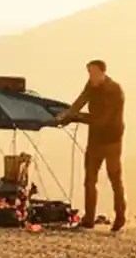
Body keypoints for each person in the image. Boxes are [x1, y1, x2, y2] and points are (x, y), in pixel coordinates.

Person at [54, 59, 126, 231]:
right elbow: (80, 101)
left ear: (102, 72)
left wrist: (75, 117)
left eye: (93, 73)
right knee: (89, 179)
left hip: (112, 140)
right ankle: (89, 218)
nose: (91, 76)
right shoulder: (91, 86)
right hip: (95, 139)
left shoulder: (114, 90)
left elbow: (102, 119)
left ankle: (120, 216)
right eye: (89, 73)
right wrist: (66, 115)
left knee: (114, 178)